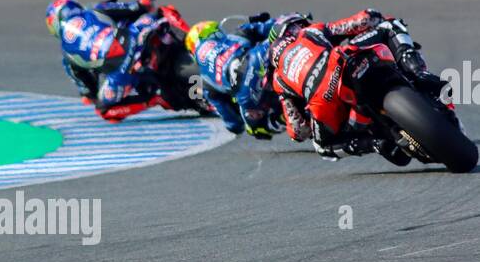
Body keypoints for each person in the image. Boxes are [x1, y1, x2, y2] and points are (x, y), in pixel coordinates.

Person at [267, 8, 440, 158]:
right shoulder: (311, 31)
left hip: (324, 101)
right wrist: (373, 15)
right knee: (389, 25)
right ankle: (418, 72)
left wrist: (310, 113)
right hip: (342, 63)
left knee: (322, 147)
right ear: (290, 31)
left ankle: (374, 144)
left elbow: (298, 130)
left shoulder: (278, 79)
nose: (301, 27)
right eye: (298, 25)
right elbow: (360, 21)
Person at [45, 0, 179, 121]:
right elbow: (134, 7)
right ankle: (183, 35)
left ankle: (156, 98)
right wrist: (143, 1)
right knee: (161, 13)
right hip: (134, 38)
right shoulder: (94, 10)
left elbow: (89, 92)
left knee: (104, 110)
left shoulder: (67, 56)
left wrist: (90, 93)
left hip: (120, 69)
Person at [185, 13, 283, 139]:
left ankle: (285, 119)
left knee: (255, 127)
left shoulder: (205, 82)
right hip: (260, 57)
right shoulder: (236, 35)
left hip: (247, 92)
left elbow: (233, 124)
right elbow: (271, 26)